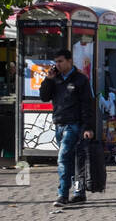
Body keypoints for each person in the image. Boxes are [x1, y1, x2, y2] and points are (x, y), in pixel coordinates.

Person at [39, 48, 96, 208]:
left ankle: (63, 194)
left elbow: (87, 104)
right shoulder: (55, 79)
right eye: (56, 61)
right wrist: (48, 80)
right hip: (59, 123)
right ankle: (79, 193)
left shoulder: (80, 80)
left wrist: (87, 127)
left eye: (60, 61)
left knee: (63, 158)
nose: (57, 64)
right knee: (72, 159)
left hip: (74, 125)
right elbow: (44, 97)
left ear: (69, 61)